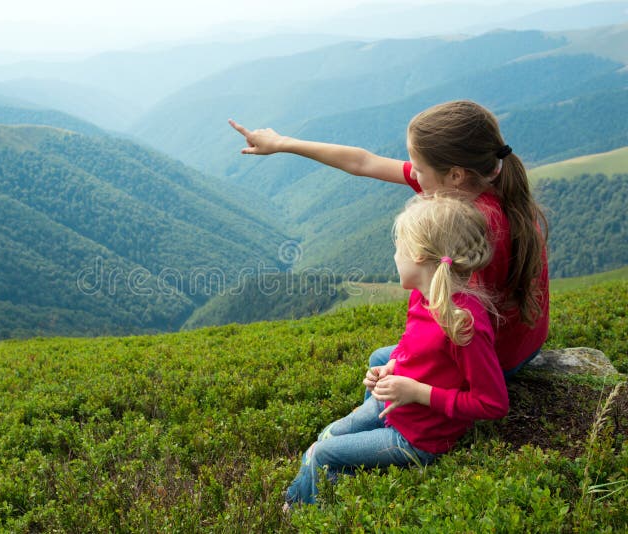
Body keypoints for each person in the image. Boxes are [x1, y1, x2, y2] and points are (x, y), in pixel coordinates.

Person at [228, 100, 549, 377]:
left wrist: (406, 373)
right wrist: (283, 143)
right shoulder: (484, 185)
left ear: (455, 175)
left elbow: (464, 330)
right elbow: (363, 162)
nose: (414, 174)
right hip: (523, 344)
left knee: (383, 362)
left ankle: (399, 437)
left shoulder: (477, 229)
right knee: (388, 359)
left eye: (419, 169)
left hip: (497, 359)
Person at [283, 194, 509, 507]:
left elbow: (492, 403)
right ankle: (301, 498)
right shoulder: (422, 296)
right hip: (395, 409)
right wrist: (391, 368)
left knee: (320, 453)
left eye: (398, 249)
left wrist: (416, 392)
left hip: (418, 438)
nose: (394, 257)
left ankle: (297, 515)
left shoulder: (463, 323)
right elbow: (411, 345)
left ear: (418, 256)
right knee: (326, 436)